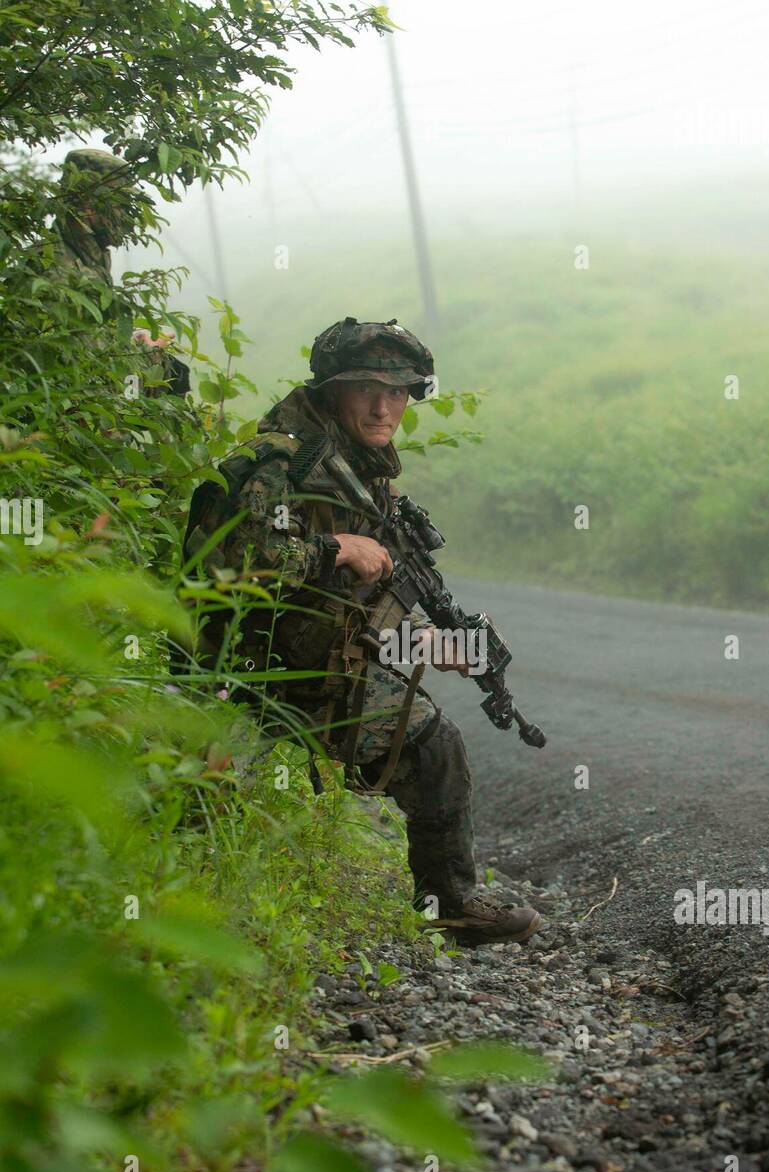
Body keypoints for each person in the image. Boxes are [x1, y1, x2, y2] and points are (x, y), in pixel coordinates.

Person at [182, 316, 541, 946]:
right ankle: (159, 923)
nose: (383, 406)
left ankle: (448, 905)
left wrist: (427, 643)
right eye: (367, 389)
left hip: (319, 674)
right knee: (188, 804)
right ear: (330, 392)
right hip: (236, 672)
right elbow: (226, 565)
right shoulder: (276, 465)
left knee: (436, 750)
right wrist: (333, 547)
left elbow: (356, 613)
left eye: (398, 392)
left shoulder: (364, 475)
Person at [53, 148, 190, 397]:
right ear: (89, 205)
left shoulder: (89, 257)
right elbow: (89, 374)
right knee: (171, 376)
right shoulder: (57, 268)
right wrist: (148, 353)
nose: (128, 218)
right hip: (72, 420)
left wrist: (135, 339)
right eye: (120, 206)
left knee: (176, 374)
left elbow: (95, 340)